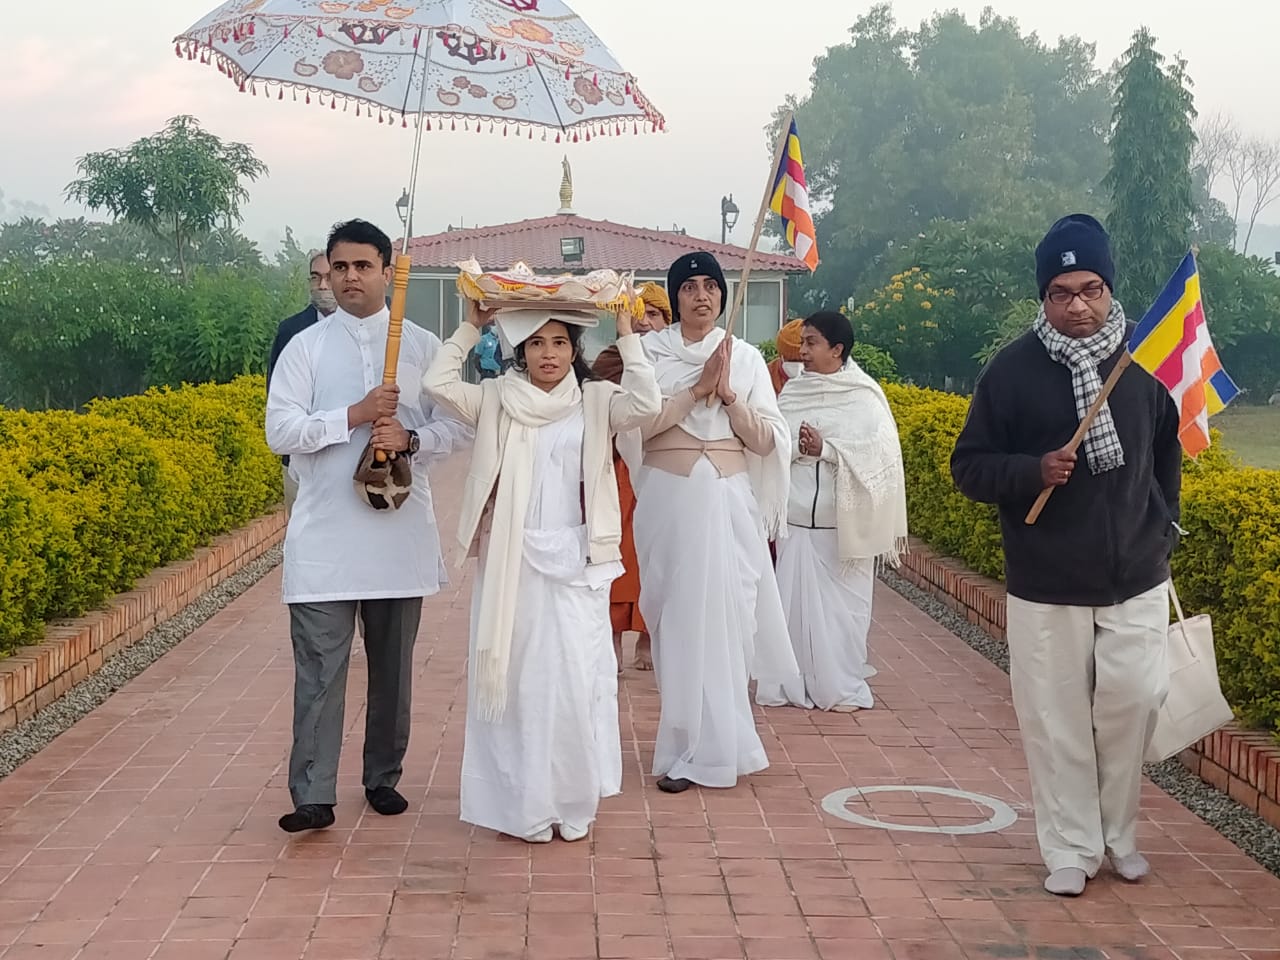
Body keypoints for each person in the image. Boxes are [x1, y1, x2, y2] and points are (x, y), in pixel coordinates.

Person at [950, 214, 1182, 897]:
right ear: (1043, 298)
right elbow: (969, 467)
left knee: (1135, 700)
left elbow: (1167, 458)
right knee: (1054, 721)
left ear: (1110, 290)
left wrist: (1162, 527)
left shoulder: (1145, 365)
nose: (1077, 304)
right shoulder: (1013, 370)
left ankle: (1120, 835)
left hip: (1135, 573)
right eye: (1061, 292)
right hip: (1047, 580)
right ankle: (1072, 849)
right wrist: (1032, 470)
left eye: (1090, 289)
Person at [424, 299, 661, 843]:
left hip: (579, 559)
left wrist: (626, 331)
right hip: (515, 561)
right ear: (519, 351)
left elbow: (647, 402)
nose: (548, 354)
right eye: (535, 343)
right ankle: (524, 807)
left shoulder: (597, 400)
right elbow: (437, 383)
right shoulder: (497, 398)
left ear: (573, 348)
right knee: (521, 683)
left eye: (558, 343)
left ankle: (573, 804)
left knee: (577, 682)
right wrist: (471, 325)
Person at [265, 219, 472, 834]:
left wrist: (410, 436)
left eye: (363, 266)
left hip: (397, 535)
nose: (350, 277)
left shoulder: (423, 347)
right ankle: (313, 794)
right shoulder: (305, 347)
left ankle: (382, 776)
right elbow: (281, 429)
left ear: (388, 271)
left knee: (393, 670)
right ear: (326, 273)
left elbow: (459, 427)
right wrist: (352, 416)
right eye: (340, 267)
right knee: (320, 672)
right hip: (325, 537)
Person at [633, 251, 807, 795]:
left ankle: (720, 750)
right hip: (670, 498)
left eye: (711, 286)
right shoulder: (648, 354)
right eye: (689, 287)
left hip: (729, 499)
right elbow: (635, 429)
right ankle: (682, 744)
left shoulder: (748, 358)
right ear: (675, 295)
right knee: (678, 620)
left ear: (722, 297)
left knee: (727, 619)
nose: (702, 296)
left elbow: (768, 441)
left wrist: (728, 395)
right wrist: (694, 390)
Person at [775, 311, 907, 712]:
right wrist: (799, 448)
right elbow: (772, 443)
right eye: (803, 342)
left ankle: (841, 683)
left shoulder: (864, 396)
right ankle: (792, 683)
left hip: (843, 528)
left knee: (845, 616)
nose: (804, 351)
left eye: (812, 343)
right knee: (793, 612)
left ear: (837, 349)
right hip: (797, 522)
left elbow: (880, 456)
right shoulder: (791, 393)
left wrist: (827, 450)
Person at [590, 281, 672, 672]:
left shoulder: (675, 360)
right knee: (617, 553)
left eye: (653, 315)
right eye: (637, 314)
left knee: (654, 557)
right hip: (617, 467)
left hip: (660, 467)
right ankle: (611, 641)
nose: (644, 323)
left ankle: (649, 638)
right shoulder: (610, 359)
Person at [268, 251, 337, 515]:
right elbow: (275, 392)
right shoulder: (291, 331)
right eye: (315, 278)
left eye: (329, 278)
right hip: (299, 457)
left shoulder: (362, 329)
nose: (322, 286)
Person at [768, 318, 805, 396]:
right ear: (781, 356)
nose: (798, 365)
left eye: (802, 360)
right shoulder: (766, 374)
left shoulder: (821, 374)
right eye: (791, 360)